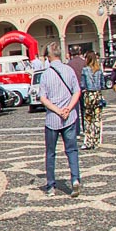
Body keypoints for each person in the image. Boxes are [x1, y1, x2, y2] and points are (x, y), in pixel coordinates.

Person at [34, 44, 82, 197]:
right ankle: (75, 179)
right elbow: (77, 91)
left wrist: (57, 110)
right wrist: (68, 108)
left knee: (50, 153)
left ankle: (50, 186)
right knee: (72, 150)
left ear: (48, 57)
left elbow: (42, 98)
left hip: (53, 119)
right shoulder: (69, 70)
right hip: (69, 116)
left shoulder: (46, 74)